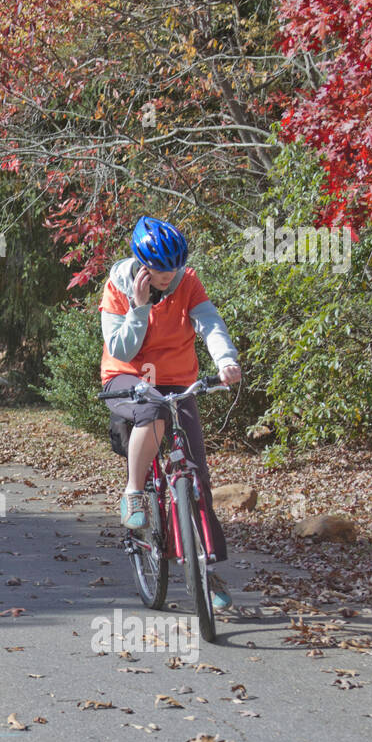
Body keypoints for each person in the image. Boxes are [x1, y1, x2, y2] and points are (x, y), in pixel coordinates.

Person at [99, 216, 242, 609]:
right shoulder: (118, 287)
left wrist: (226, 359)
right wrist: (140, 309)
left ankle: (205, 572)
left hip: (178, 381)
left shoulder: (187, 280)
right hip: (127, 377)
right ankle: (134, 494)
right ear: (142, 263)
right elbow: (121, 349)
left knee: (198, 476)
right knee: (151, 412)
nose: (169, 276)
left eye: (174, 268)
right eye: (161, 270)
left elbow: (209, 322)